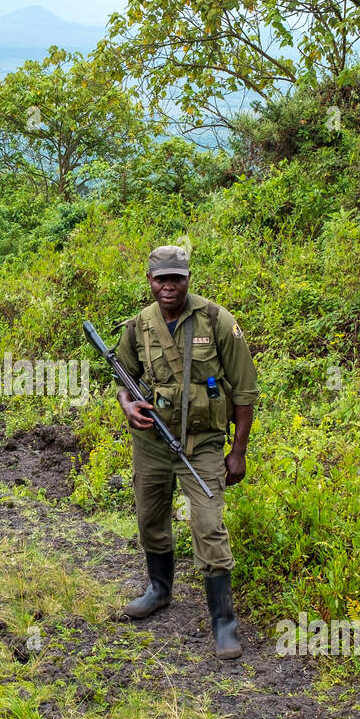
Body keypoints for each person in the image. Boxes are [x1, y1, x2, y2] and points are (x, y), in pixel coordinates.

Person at [112, 245, 259, 659]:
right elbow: (123, 377)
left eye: (176, 277)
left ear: (188, 278)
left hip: (204, 445)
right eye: (161, 279)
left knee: (209, 525)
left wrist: (239, 451)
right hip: (152, 444)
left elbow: (245, 390)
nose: (169, 286)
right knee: (150, 518)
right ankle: (159, 590)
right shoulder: (137, 326)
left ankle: (223, 621)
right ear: (150, 281)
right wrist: (128, 405)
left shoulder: (216, 320)